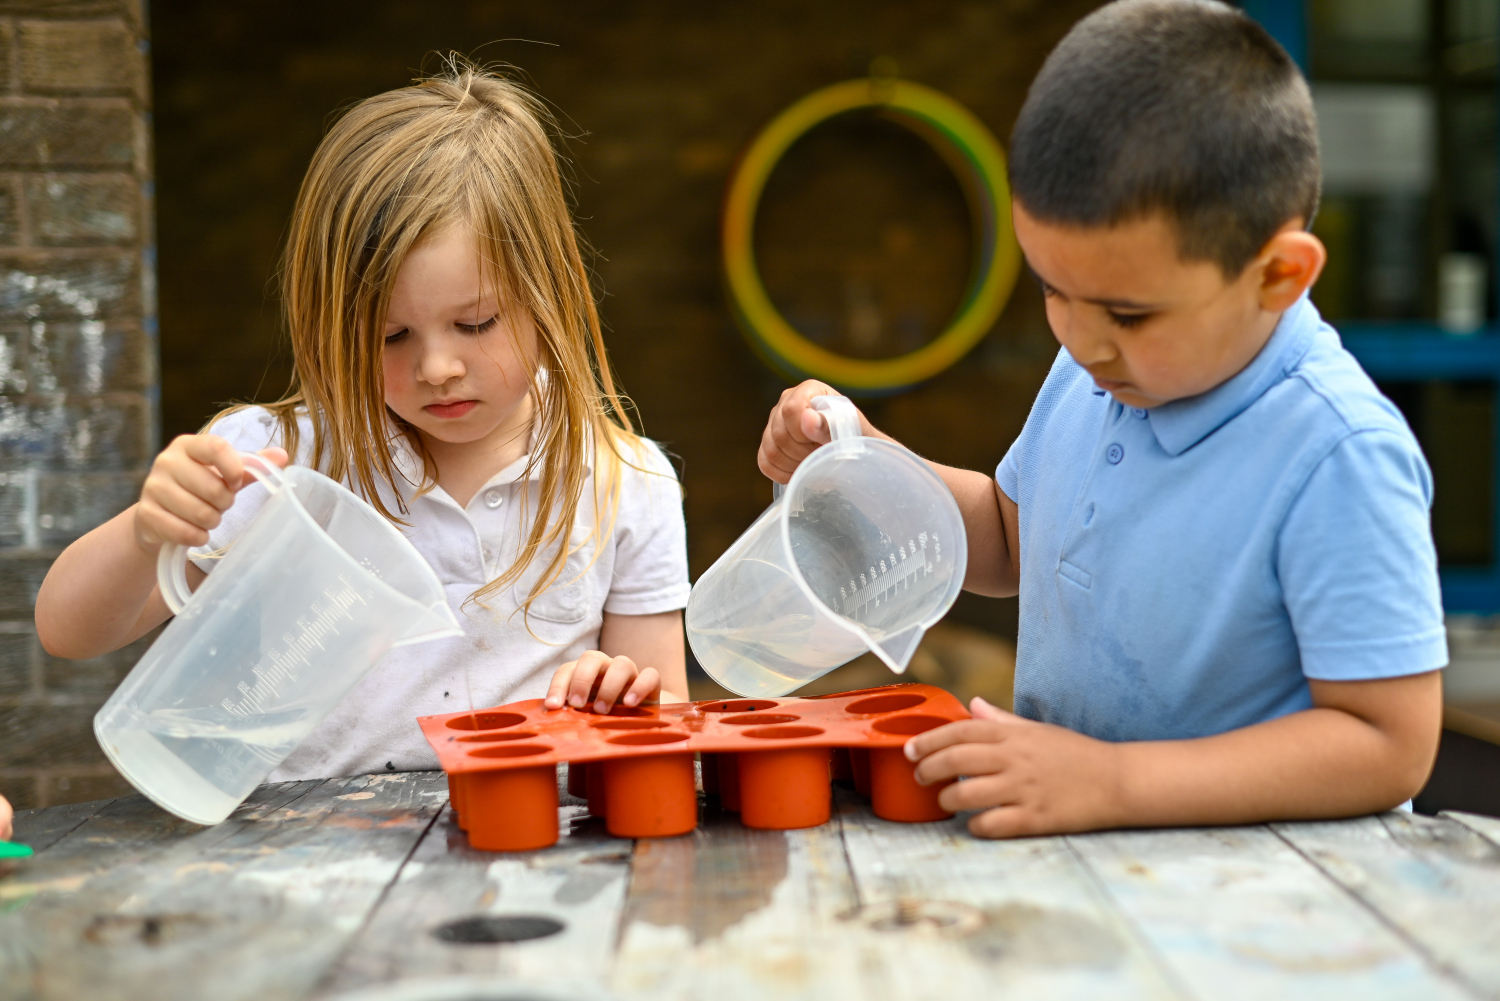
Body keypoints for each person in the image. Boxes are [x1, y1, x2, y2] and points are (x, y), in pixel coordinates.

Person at [759, 0, 1445, 838]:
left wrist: (1114, 781)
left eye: (1128, 313)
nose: (1082, 341)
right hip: (1089, 867)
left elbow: (1388, 743)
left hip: (1268, 911)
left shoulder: (1338, 451)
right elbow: (1012, 544)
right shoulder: (1096, 374)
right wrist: (862, 463)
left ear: (1278, 276)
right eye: (1053, 290)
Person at [34, 64, 690, 782]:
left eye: (474, 322)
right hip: (308, 860)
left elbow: (666, 724)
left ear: (549, 292)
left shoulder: (626, 481)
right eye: (389, 336)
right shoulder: (278, 462)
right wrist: (147, 532)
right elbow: (68, 632)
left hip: (536, 848)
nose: (437, 366)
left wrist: (620, 699)